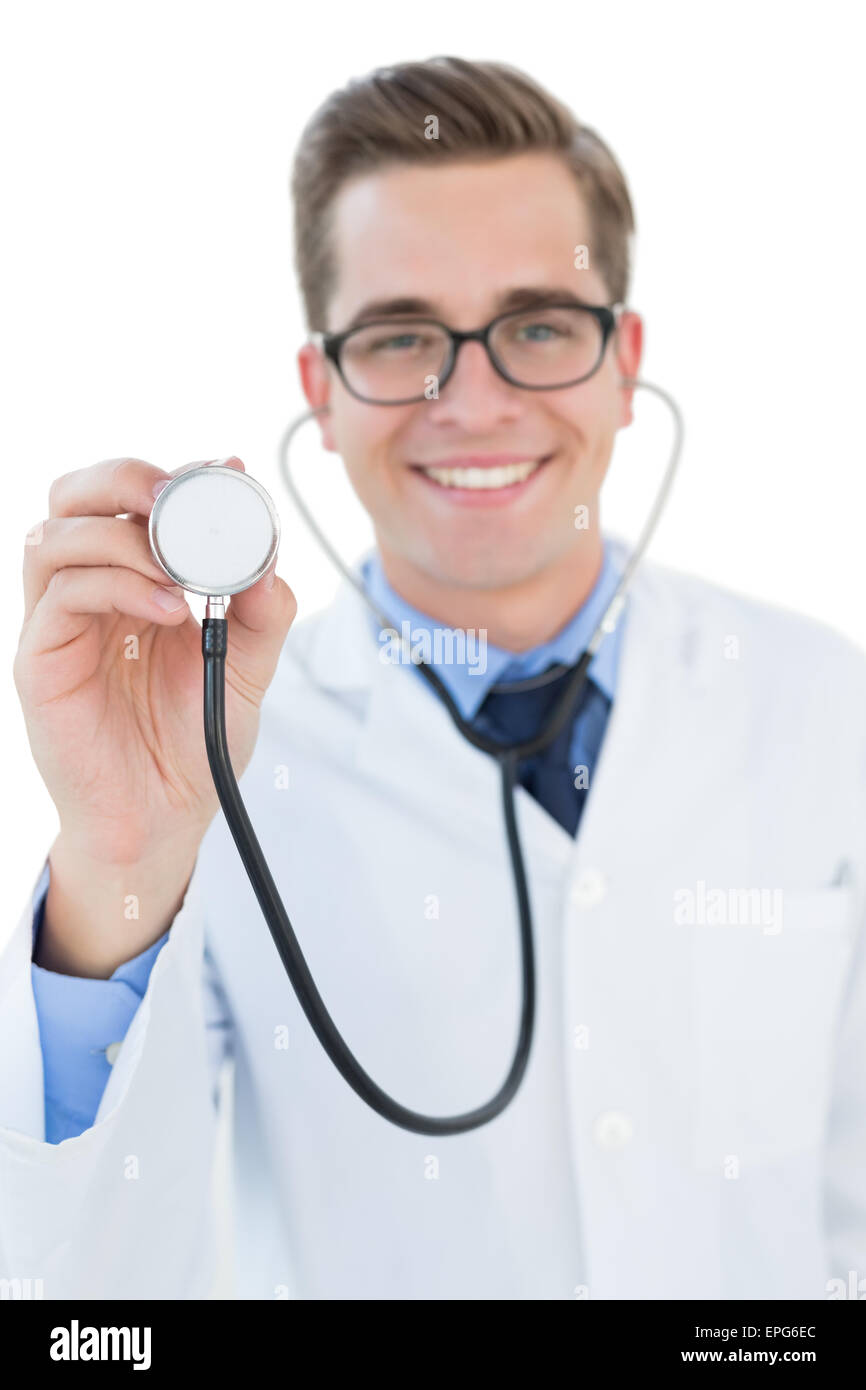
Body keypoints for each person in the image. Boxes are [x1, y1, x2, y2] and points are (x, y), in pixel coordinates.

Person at [3, 54, 865, 1302]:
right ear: (322, 388)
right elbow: (90, 1304)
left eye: (535, 326)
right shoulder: (218, 766)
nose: (470, 400)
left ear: (623, 365)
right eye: (403, 335)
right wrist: (120, 864)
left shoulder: (822, 707)